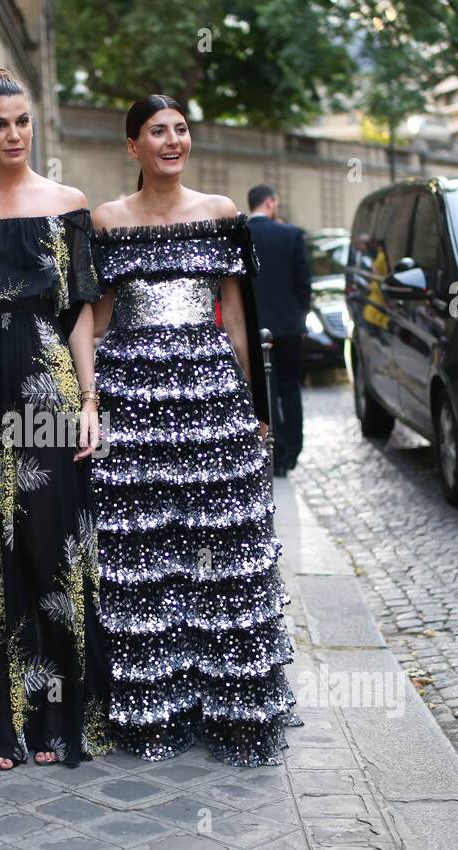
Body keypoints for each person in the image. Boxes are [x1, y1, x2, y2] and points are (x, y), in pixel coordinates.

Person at [90, 95, 299, 767]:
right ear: (133, 146)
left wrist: (254, 406)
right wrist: (85, 403)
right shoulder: (105, 220)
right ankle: (157, 706)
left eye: (181, 130)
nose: (172, 140)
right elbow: (95, 318)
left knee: (219, 545)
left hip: (210, 399)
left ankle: (232, 708)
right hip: (131, 397)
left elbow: (237, 317)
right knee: (143, 551)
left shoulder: (222, 214)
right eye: (158, 131)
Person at [0, 65, 111, 771]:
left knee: (50, 542)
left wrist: (91, 403)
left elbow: (80, 315)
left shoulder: (67, 203)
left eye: (22, 121)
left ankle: (59, 721)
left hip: (46, 388)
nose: (13, 134)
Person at [247, 184, 311, 477]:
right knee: (290, 387)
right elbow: (304, 284)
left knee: (264, 389)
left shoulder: (242, 234)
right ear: (270, 203)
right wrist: (299, 315)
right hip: (288, 327)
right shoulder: (292, 235)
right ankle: (290, 451)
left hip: (255, 327)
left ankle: (271, 448)